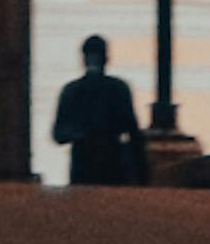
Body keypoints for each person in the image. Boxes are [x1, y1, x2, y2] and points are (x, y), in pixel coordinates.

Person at [50, 33, 147, 186]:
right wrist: (142, 174)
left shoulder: (71, 91)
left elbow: (58, 135)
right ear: (107, 59)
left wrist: (81, 135)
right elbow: (133, 132)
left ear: (82, 59)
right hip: (113, 164)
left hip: (82, 165)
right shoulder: (118, 89)